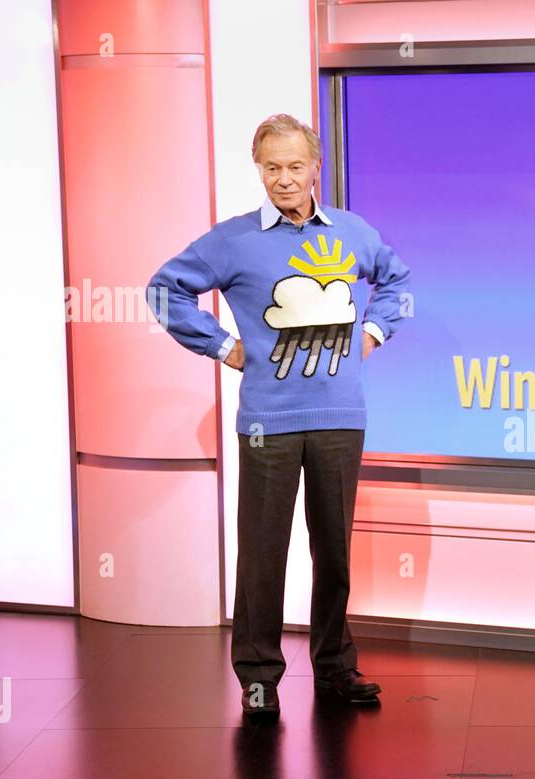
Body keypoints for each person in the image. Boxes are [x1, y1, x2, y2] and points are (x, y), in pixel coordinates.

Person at [148, 113, 412, 718]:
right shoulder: (234, 240)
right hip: (268, 421)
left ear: (316, 168)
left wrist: (370, 332)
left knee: (335, 552)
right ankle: (260, 676)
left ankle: (334, 667)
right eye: (272, 168)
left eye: (295, 166)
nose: (284, 179)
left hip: (340, 416)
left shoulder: (352, 231)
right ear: (259, 170)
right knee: (263, 553)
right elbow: (166, 288)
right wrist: (223, 346)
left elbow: (396, 281)